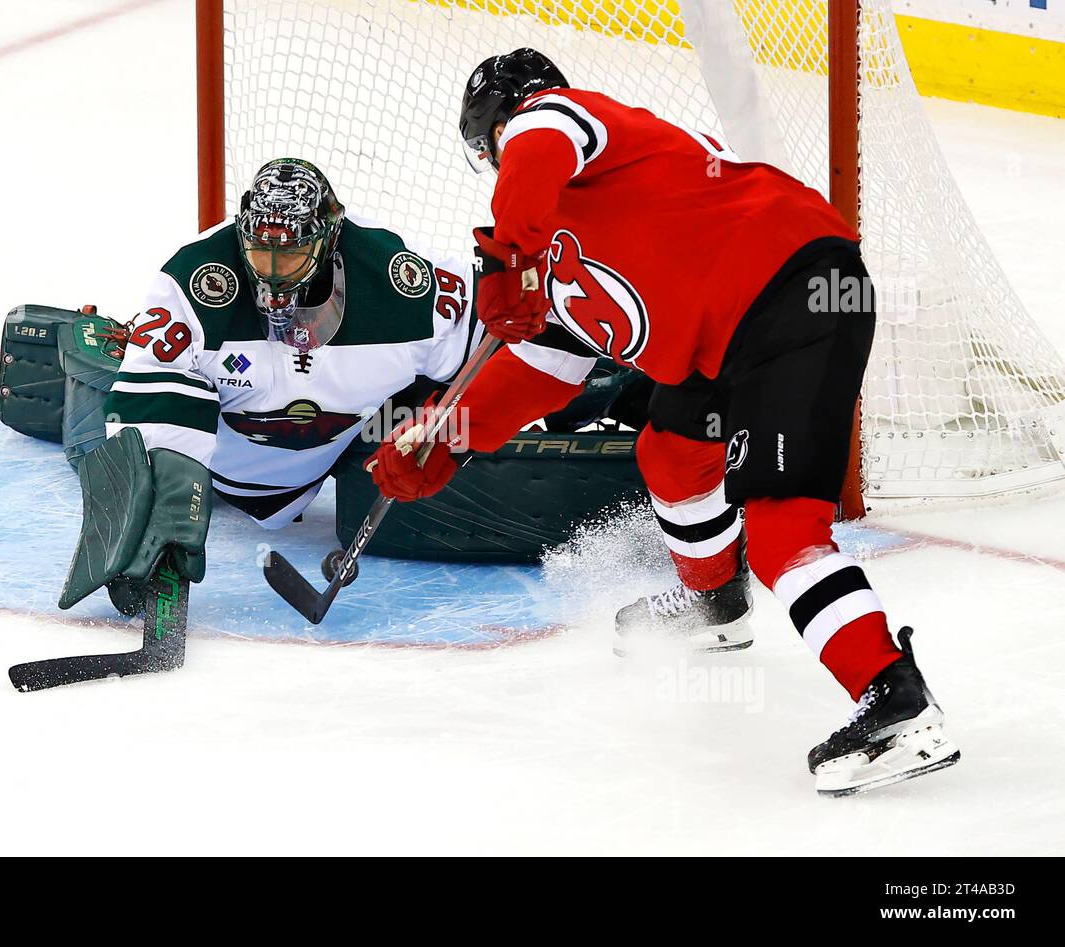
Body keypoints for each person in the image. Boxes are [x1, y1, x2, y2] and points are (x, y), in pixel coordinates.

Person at [365, 49, 959, 796]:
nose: (492, 161)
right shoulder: (549, 244)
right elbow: (543, 370)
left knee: (784, 533)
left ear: (494, 134)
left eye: (489, 148)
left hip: (796, 294)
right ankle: (716, 600)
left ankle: (896, 699)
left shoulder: (568, 125)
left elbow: (538, 137)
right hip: (722, 343)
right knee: (671, 450)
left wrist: (505, 253)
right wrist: (449, 435)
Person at [56, 157, 483, 615]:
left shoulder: (406, 285)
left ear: (330, 237)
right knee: (111, 427)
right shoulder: (196, 278)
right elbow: (149, 413)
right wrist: (152, 507)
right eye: (262, 254)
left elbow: (494, 346)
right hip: (213, 462)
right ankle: (93, 374)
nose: (275, 274)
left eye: (292, 254)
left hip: (323, 454)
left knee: (424, 408)